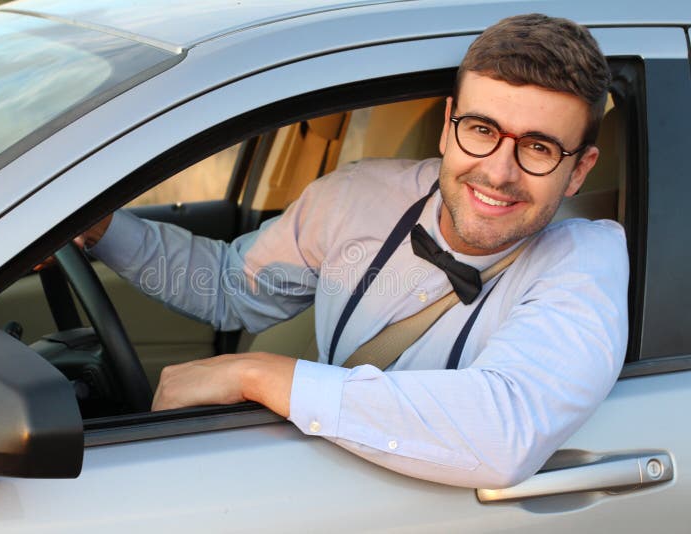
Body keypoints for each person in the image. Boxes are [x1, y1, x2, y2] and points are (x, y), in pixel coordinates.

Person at [83, 14, 628, 489]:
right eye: (481, 130)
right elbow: (233, 287)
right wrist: (101, 227)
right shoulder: (355, 196)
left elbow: (504, 433)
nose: (499, 172)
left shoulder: (586, 260)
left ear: (579, 168)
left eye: (539, 147)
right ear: (447, 128)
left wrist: (256, 374)